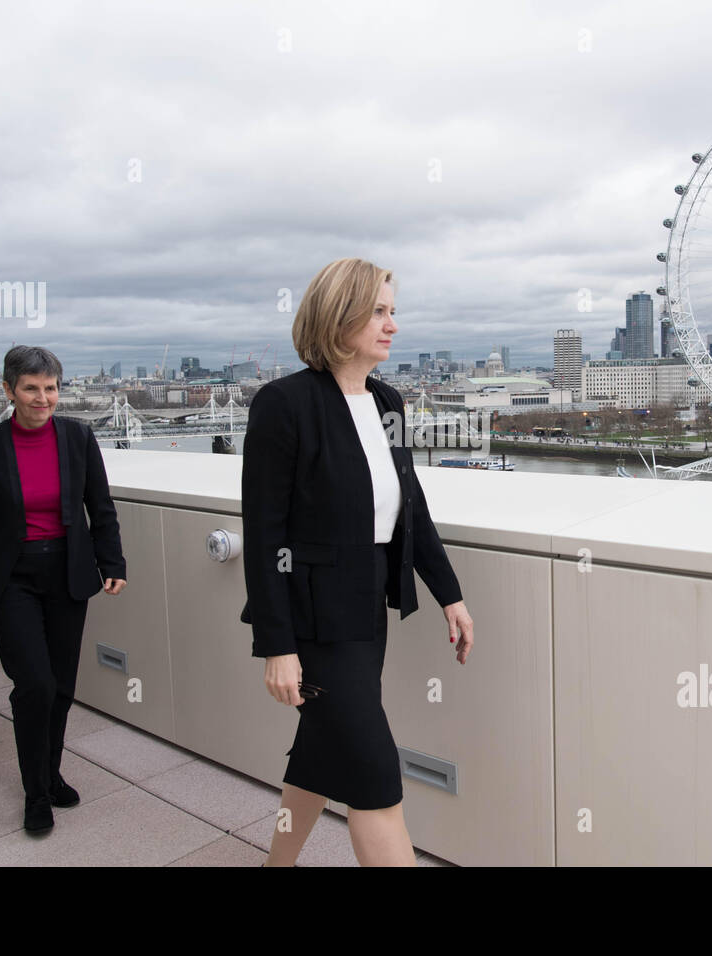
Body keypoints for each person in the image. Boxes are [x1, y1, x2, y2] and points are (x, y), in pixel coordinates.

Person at [239, 258, 474, 867]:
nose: (392, 324)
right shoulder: (283, 404)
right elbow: (264, 536)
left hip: (367, 605)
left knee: (323, 750)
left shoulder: (387, 399)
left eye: (393, 311)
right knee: (373, 773)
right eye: (378, 311)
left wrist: (450, 593)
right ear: (336, 315)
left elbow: (409, 506)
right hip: (312, 620)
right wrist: (277, 646)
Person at [0, 346, 127, 834]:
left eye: (51, 388)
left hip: (67, 574)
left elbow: (99, 507)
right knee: (35, 684)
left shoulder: (78, 438)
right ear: (8, 390)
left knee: (61, 687)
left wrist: (113, 562)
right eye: (31, 388)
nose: (43, 398)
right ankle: (35, 793)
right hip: (10, 577)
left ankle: (52, 772)